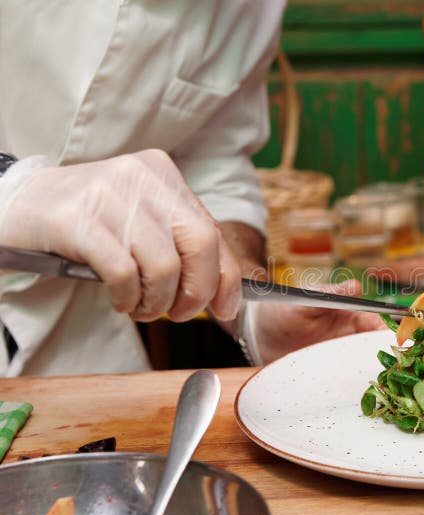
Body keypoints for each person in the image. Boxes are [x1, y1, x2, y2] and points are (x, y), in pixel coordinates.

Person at [0, 0, 382, 376]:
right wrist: (15, 189)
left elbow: (213, 167)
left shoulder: (255, 10)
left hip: (74, 354)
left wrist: (251, 307)